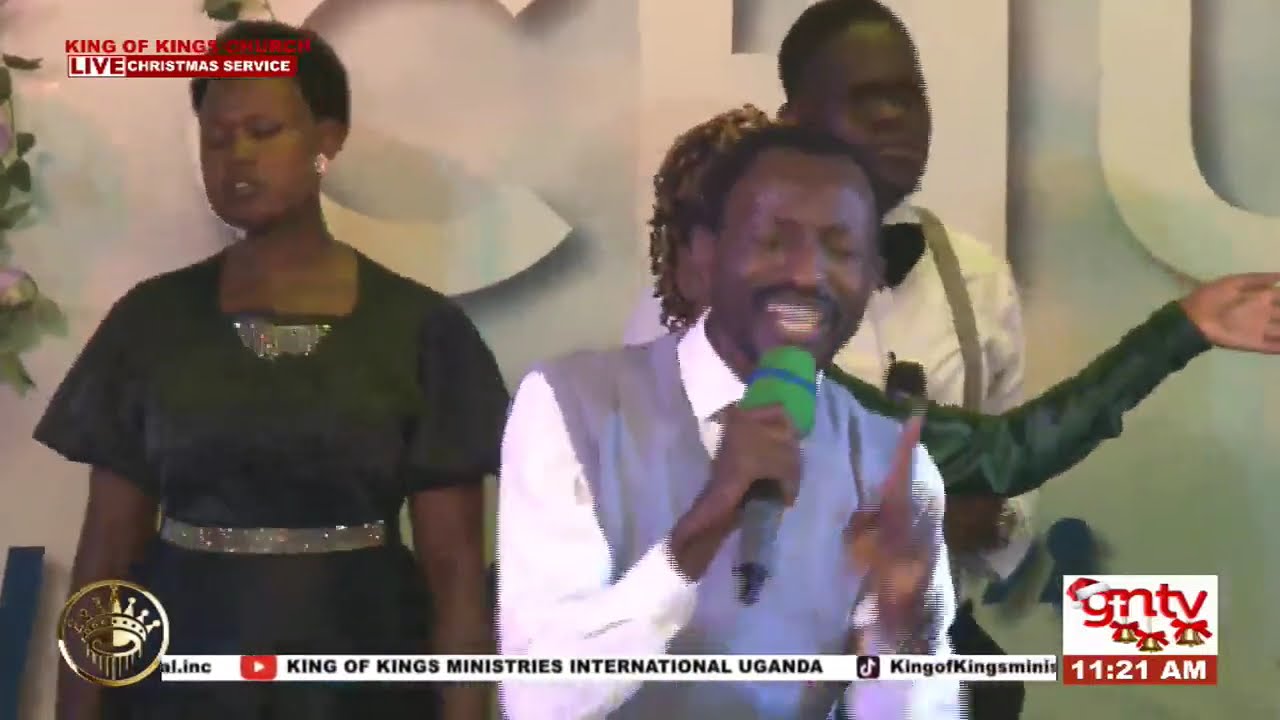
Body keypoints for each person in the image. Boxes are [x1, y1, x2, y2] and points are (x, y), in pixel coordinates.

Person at [36, 21, 507, 720]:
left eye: (264, 131)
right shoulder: (150, 322)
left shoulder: (422, 330)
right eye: (216, 138)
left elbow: (456, 577)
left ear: (327, 140)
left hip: (365, 685)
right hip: (178, 688)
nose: (238, 157)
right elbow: (103, 560)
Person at [500, 122, 961, 719]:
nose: (808, 274)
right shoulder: (569, 406)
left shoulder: (895, 465)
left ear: (873, 276)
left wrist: (902, 630)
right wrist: (699, 532)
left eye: (842, 250)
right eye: (773, 241)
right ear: (702, 256)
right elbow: (538, 700)